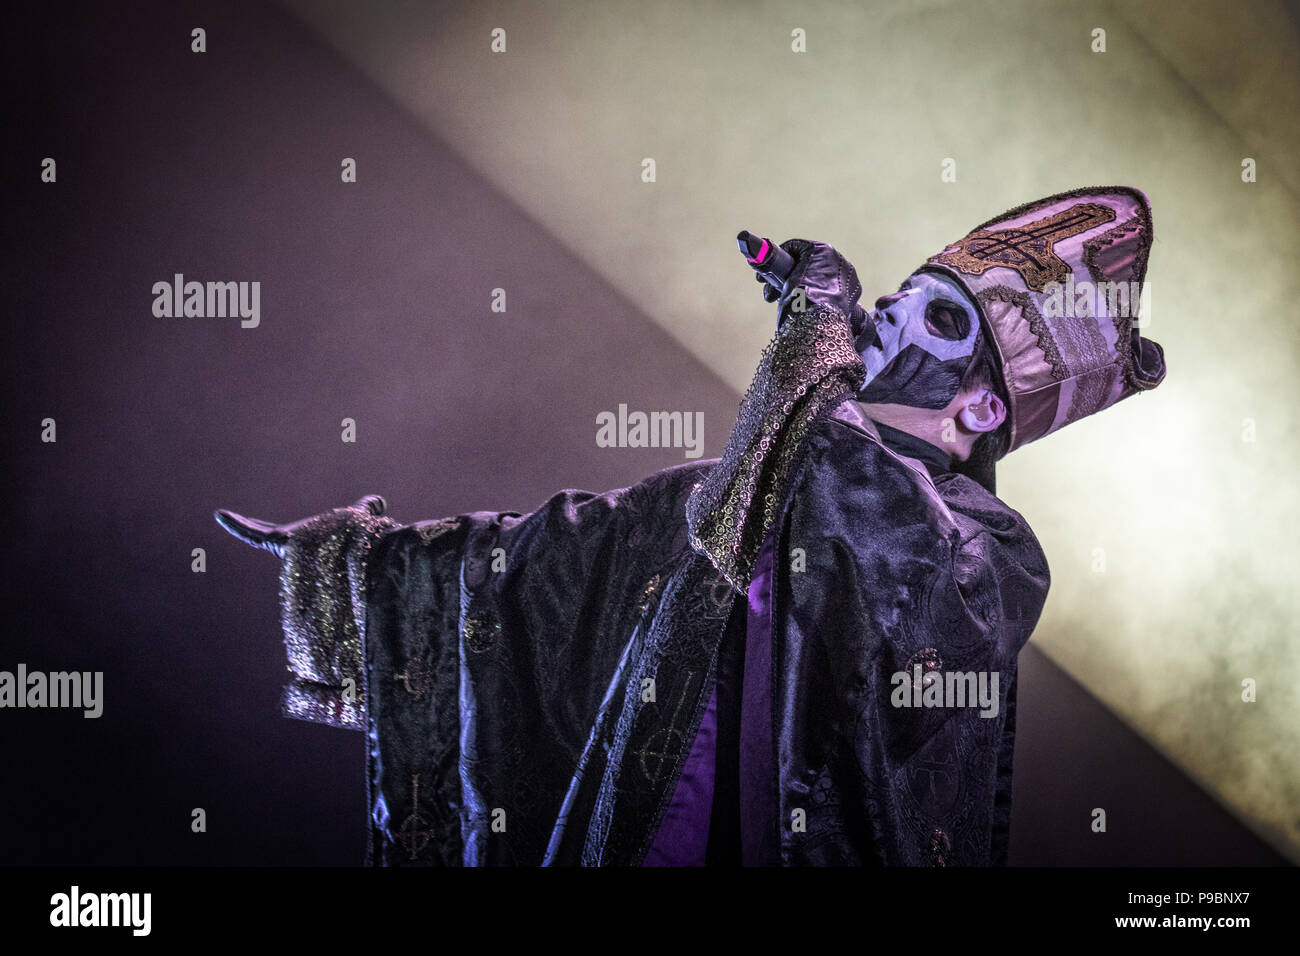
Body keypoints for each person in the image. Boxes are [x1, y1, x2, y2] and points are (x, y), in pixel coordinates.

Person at [217, 186, 1166, 866]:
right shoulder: (734, 484)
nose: (885, 315)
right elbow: (553, 559)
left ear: (984, 411)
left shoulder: (989, 554)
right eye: (892, 298)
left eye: (935, 318)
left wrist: (815, 336)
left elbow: (861, 543)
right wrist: (368, 568)